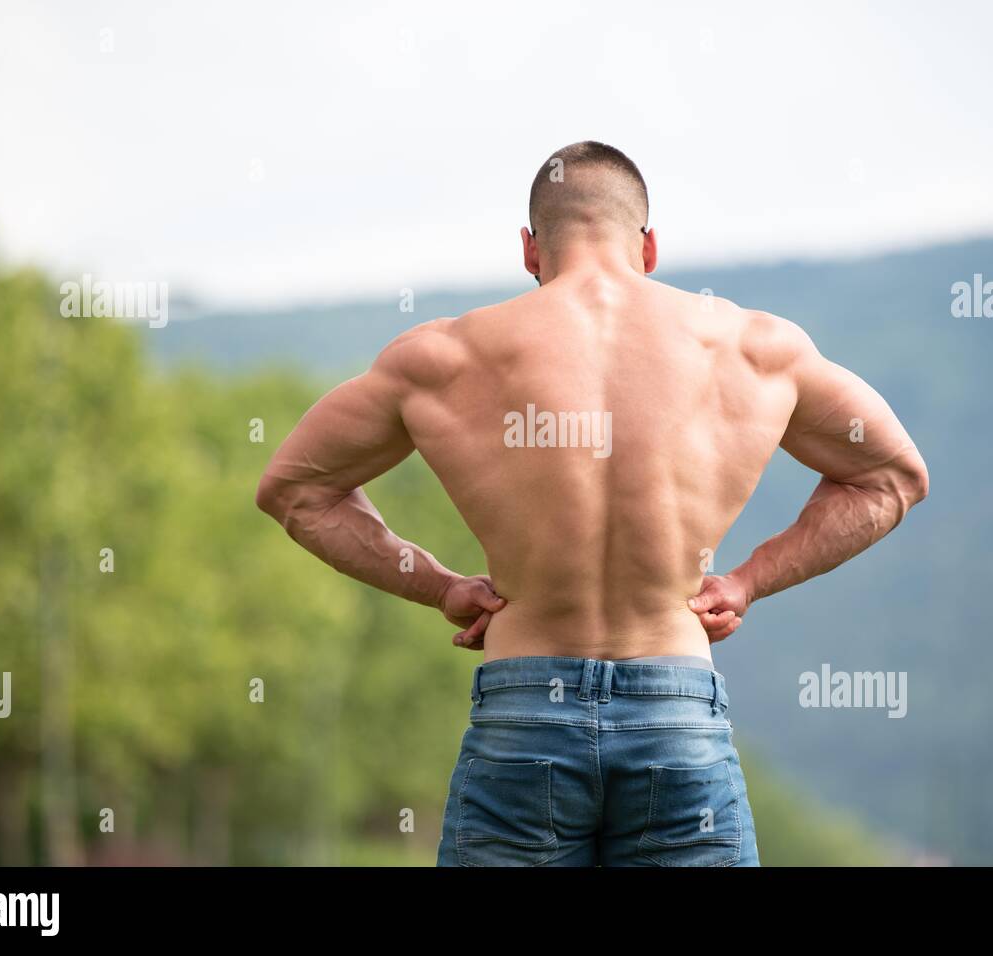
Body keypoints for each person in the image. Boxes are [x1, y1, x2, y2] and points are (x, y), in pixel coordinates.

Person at [255, 141, 929, 866]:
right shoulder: (755, 346)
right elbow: (893, 476)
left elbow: (294, 490)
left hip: (523, 716)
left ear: (529, 250)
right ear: (650, 245)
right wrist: (747, 580)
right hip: (677, 715)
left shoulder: (442, 357)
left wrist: (440, 586)